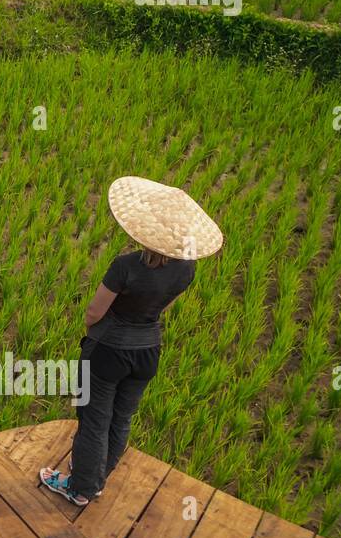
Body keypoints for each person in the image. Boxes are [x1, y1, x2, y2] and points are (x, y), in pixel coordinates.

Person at [41, 176, 222, 507]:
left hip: (107, 353)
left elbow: (94, 312)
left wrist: (101, 328)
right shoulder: (187, 269)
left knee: (94, 420)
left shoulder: (126, 266)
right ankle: (97, 475)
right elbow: (161, 308)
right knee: (121, 418)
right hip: (148, 352)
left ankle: (81, 488)